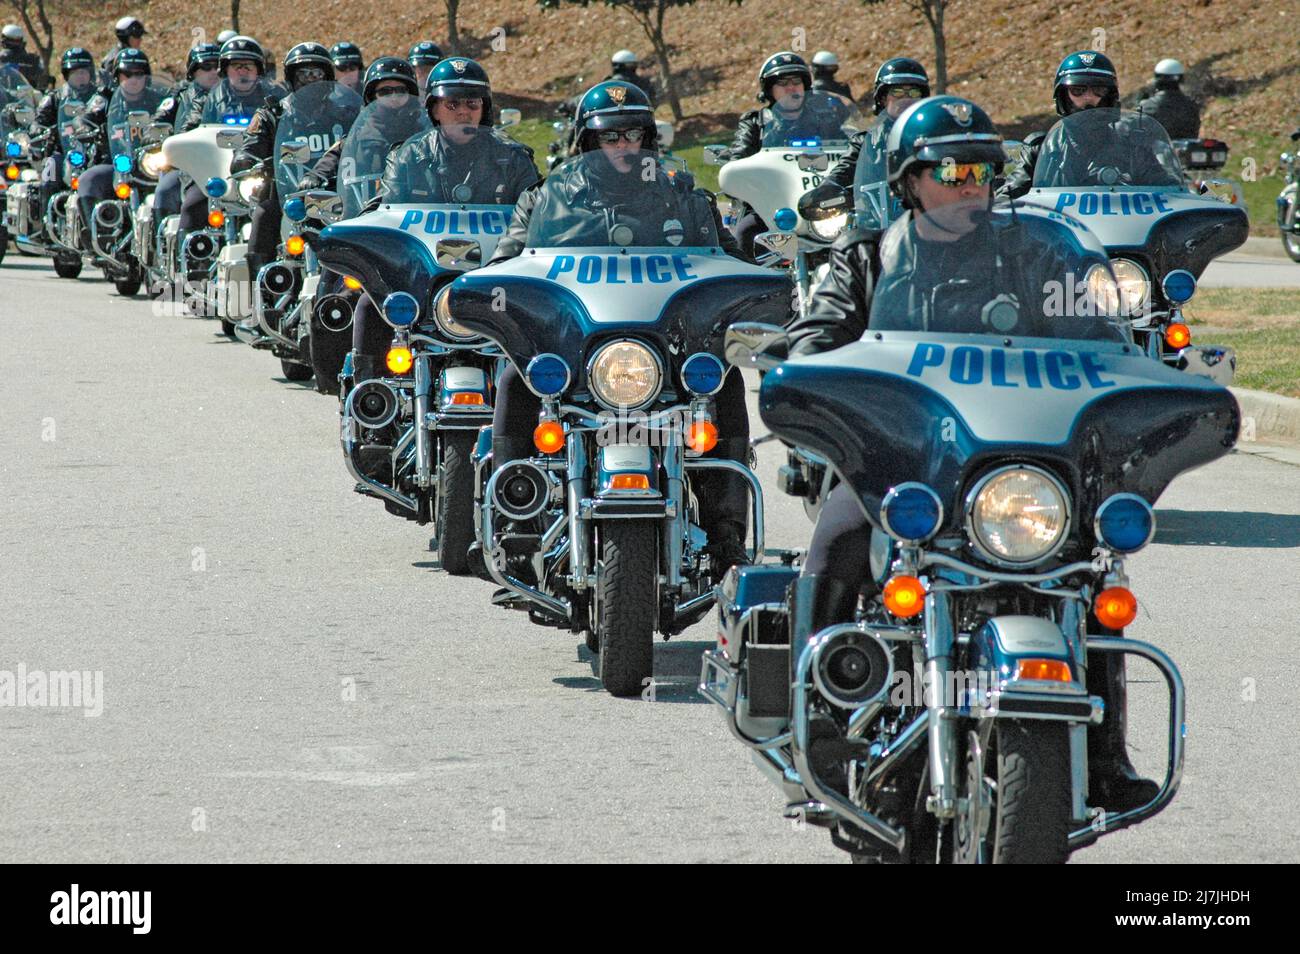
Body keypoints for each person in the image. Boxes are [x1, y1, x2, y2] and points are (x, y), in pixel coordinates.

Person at [788, 94, 1156, 813]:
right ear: (908, 182)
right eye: (949, 171)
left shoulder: (1038, 254)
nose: (968, 186)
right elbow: (813, 340)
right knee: (835, 540)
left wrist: (1138, 378)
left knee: (1092, 571)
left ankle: (1106, 749)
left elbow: (1101, 342)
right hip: (904, 468)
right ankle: (823, 721)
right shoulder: (867, 257)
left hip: (1015, 474)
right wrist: (812, 369)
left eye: (981, 171)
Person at [489, 79, 753, 574]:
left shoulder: (682, 195)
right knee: (515, 376)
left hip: (664, 351)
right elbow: (509, 263)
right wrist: (494, 293)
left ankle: (725, 534)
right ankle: (516, 524)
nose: (623, 147)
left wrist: (752, 282)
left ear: (648, 140)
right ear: (588, 142)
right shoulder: (548, 199)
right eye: (610, 138)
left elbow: (727, 260)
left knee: (725, 380)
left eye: (633, 136)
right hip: (578, 350)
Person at [348, 56, 539, 382]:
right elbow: (387, 211)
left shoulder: (515, 158)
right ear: (434, 109)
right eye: (452, 104)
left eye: (472, 103)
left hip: (494, 280)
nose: (463, 111)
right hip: (425, 280)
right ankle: (373, 403)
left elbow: (539, 216)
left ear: (485, 108)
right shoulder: (408, 157)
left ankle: (538, 408)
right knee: (369, 304)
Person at [232, 42, 340, 292]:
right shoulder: (274, 113)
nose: (311, 81)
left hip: (332, 194)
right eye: (304, 74)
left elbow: (360, 144)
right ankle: (262, 294)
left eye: (317, 74)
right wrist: (248, 160)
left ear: (328, 78)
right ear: (292, 78)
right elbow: (250, 145)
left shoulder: (344, 115)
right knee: (264, 213)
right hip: (284, 194)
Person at [720, 51, 851, 256]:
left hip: (823, 205)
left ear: (805, 86)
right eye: (782, 83)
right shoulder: (757, 122)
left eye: (796, 82)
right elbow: (739, 157)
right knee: (745, 232)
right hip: (771, 209)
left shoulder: (826, 120)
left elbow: (849, 153)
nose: (791, 88)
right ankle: (749, 285)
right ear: (770, 90)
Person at [802, 57, 930, 229]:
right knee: (845, 249)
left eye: (913, 93)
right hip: (875, 229)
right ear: (883, 99)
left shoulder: (935, 138)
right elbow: (842, 173)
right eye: (897, 92)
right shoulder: (865, 142)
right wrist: (828, 189)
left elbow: (952, 170)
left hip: (929, 226)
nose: (906, 98)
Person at [999, 50, 1119, 199]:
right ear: (1063, 97)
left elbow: (1157, 195)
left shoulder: (1132, 149)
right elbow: (1005, 201)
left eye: (1099, 90)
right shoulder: (1041, 150)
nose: (1088, 97)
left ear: (1110, 96)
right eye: (1078, 90)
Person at [76, 49, 166, 247]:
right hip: (116, 162)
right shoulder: (104, 99)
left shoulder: (159, 100)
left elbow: (172, 120)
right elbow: (86, 121)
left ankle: (168, 242)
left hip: (150, 163)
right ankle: (97, 236)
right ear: (117, 77)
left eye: (139, 74)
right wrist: (88, 130)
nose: (133, 79)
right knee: (88, 179)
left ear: (147, 76)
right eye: (127, 74)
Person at [150, 43, 221, 222]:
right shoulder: (181, 94)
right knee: (165, 189)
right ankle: (164, 245)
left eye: (218, 66)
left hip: (224, 165)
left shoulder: (233, 97)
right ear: (192, 71)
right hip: (186, 166)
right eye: (206, 67)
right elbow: (157, 123)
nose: (213, 71)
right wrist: (159, 138)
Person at [33, 48, 96, 211]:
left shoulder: (99, 98)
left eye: (84, 72)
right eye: (75, 73)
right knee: (51, 166)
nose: (81, 76)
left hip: (94, 152)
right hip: (64, 152)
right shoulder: (54, 98)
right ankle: (47, 218)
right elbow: (38, 122)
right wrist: (42, 131)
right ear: (67, 75)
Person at [1136, 58, 1201, 140]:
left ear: (1157, 79)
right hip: (1184, 148)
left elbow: (1137, 131)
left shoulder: (1146, 106)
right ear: (1181, 79)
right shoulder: (1191, 106)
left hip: (1155, 150)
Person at [99, 16, 146, 87]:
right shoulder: (113, 60)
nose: (140, 40)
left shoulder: (136, 57)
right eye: (136, 36)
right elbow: (109, 88)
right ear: (125, 38)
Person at [1, 23, 47, 89]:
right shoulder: (33, 59)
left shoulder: (33, 60)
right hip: (27, 96)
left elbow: (42, 82)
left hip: (28, 96)